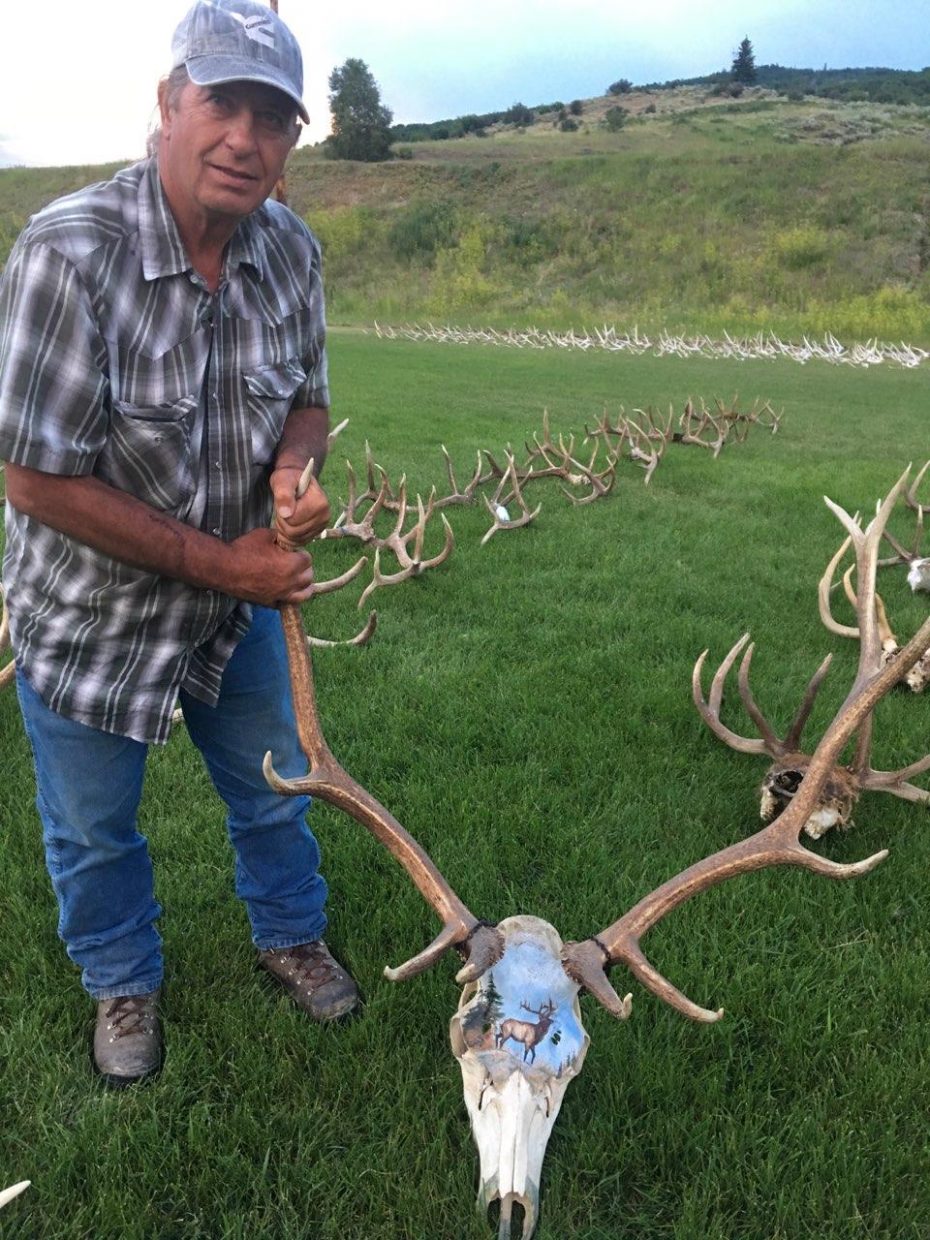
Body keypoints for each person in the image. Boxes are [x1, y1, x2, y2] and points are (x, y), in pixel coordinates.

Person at [0, 0, 359, 1087]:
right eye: (222, 104)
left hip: (226, 614)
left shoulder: (290, 251)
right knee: (93, 828)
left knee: (276, 784)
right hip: (87, 618)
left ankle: (291, 933)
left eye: (273, 117)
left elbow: (307, 401)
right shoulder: (69, 252)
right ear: (167, 103)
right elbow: (32, 477)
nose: (245, 138)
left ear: (292, 139)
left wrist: (295, 473)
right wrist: (228, 562)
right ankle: (122, 980)